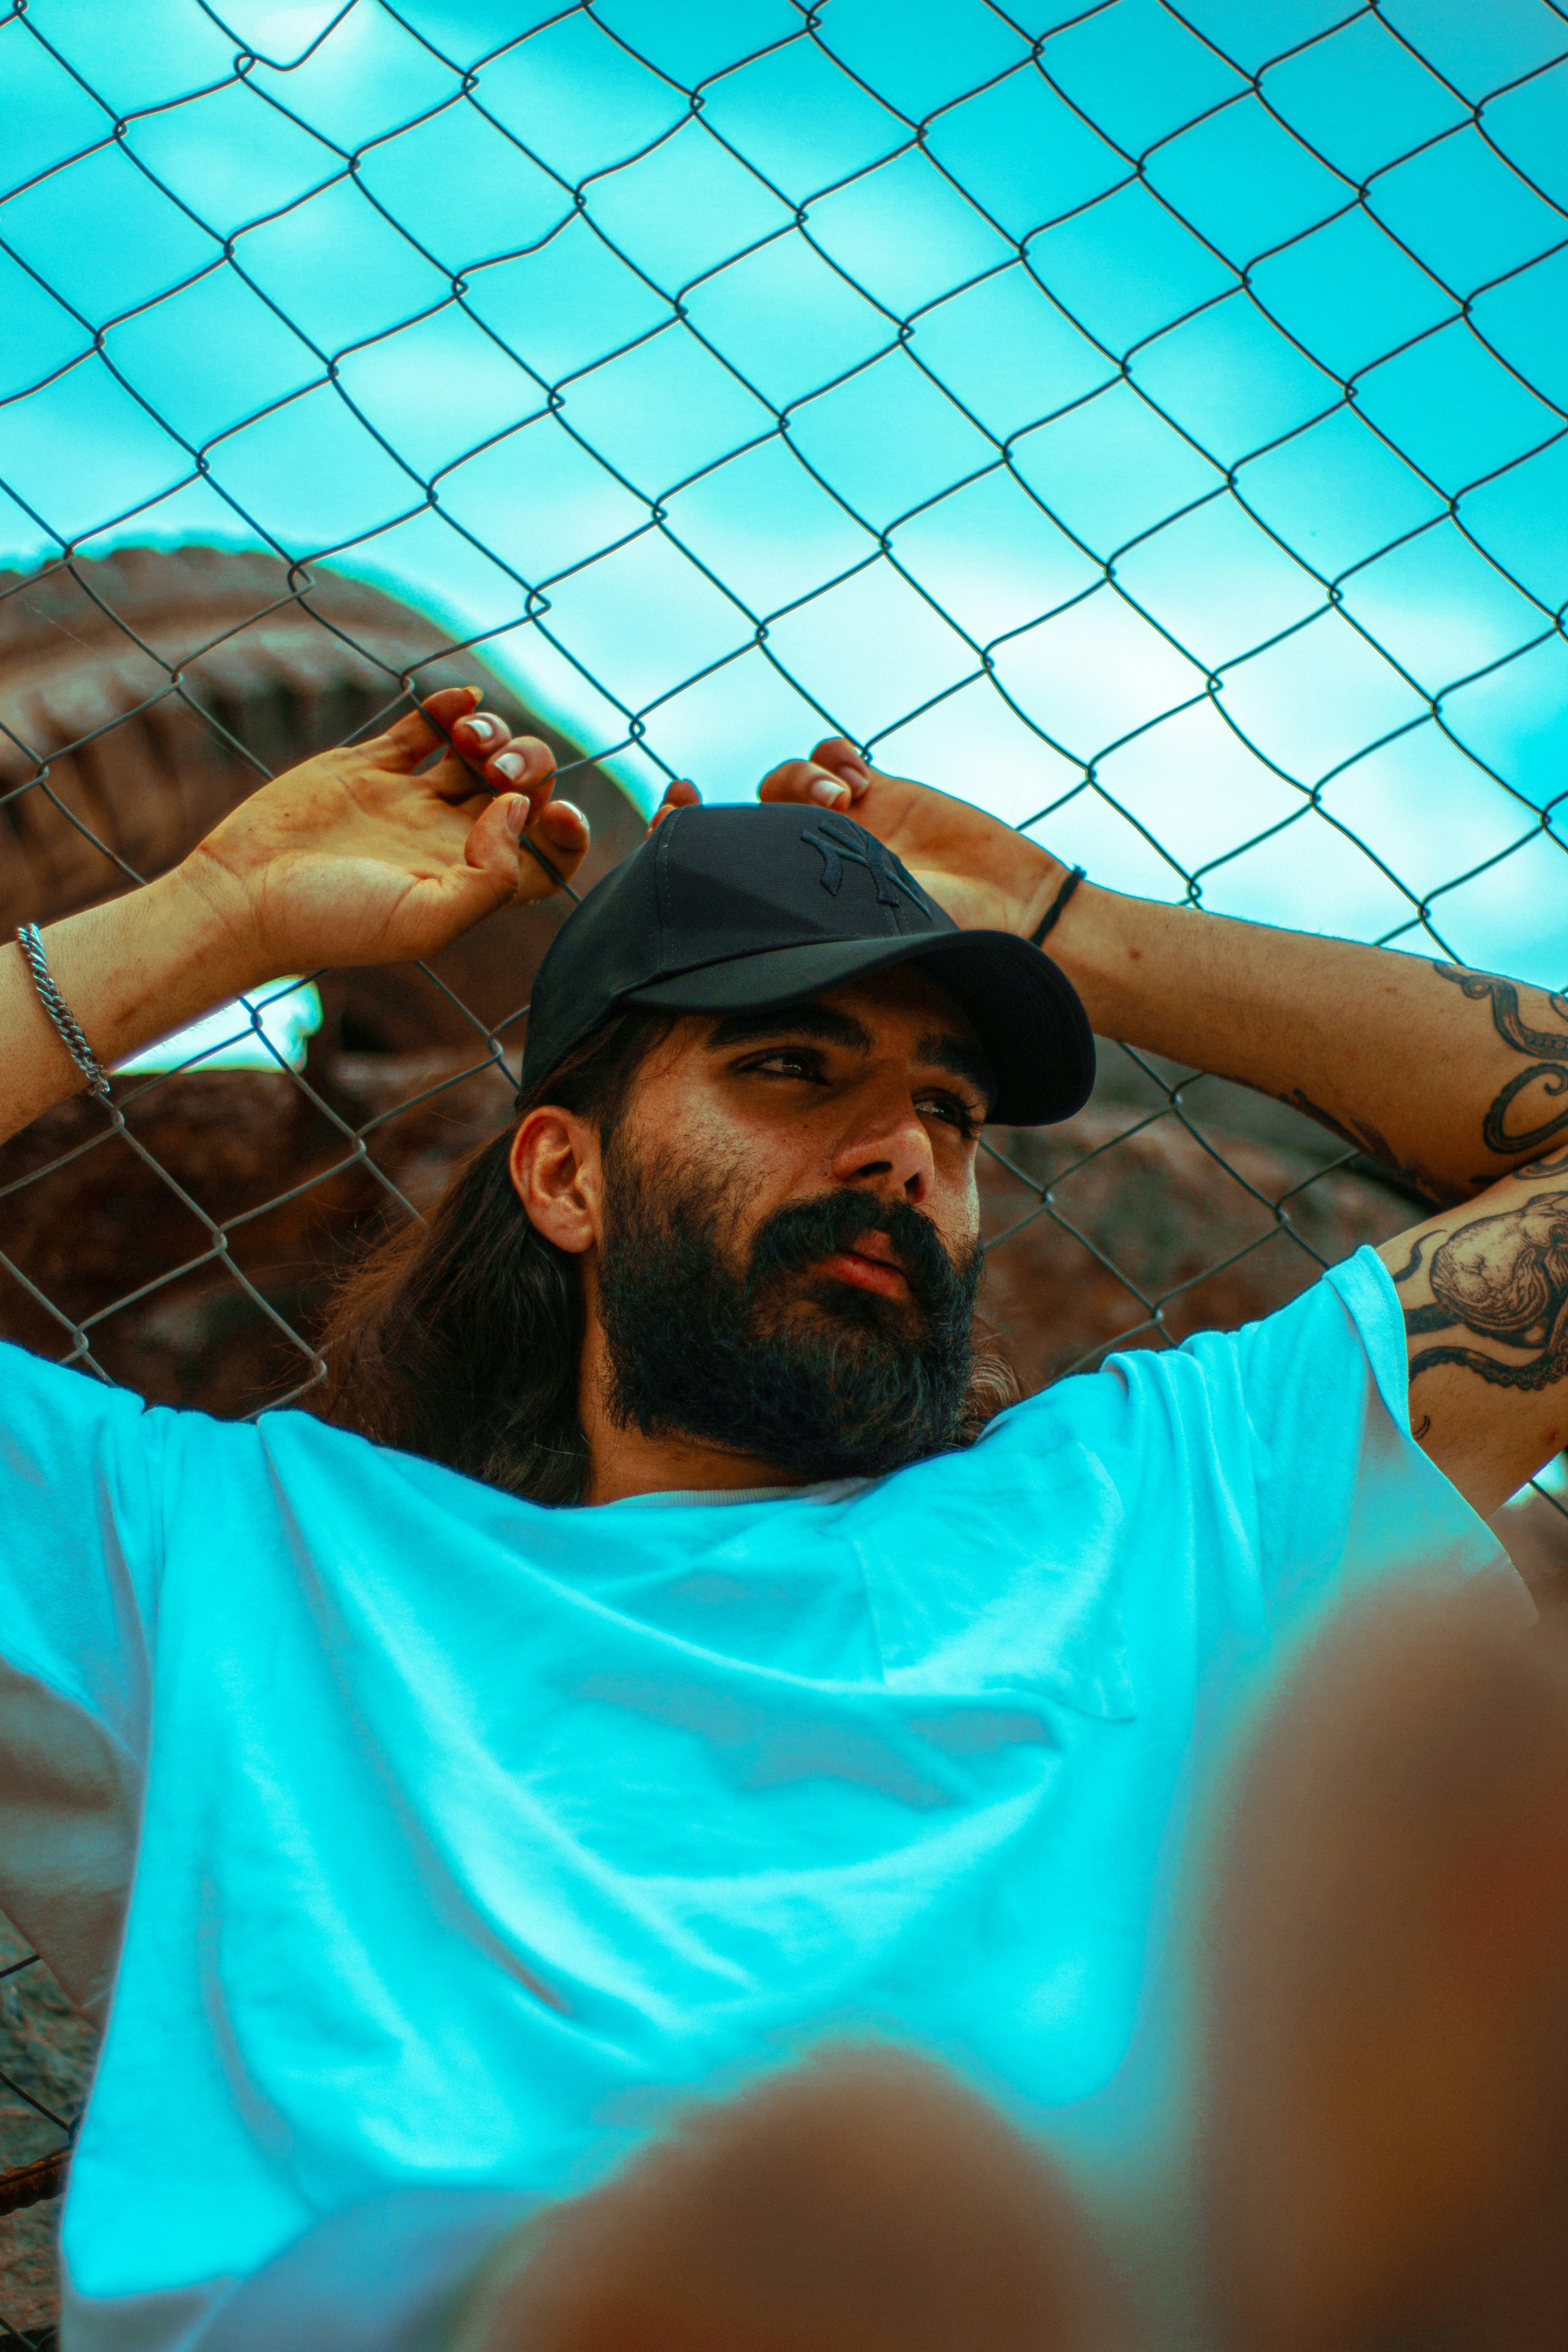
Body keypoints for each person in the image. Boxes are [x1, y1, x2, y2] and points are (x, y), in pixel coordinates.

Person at [1, 686, 1563, 2350]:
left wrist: (1062, 925)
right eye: (792, 1069)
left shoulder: (1160, 1503)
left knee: (1453, 1757)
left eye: (951, 1113)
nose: (901, 1150)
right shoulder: (209, 1557)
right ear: (563, 1179)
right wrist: (217, 913)